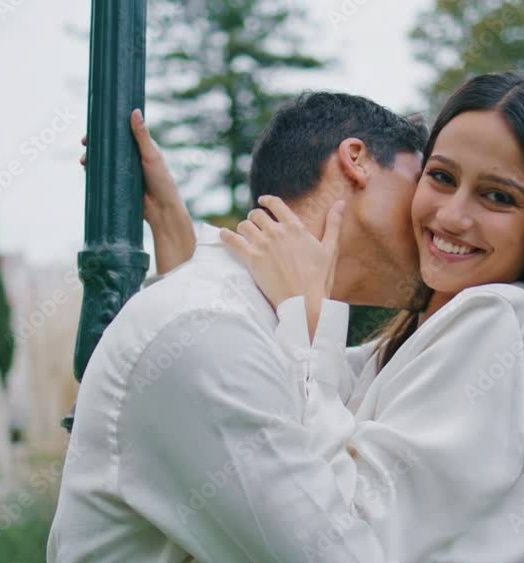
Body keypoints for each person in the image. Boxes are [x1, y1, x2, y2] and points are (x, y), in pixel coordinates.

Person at [48, 92, 430, 563]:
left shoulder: (238, 317)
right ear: (357, 160)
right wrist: (310, 331)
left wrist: (173, 225)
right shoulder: (209, 330)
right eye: (425, 180)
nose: (438, 216)